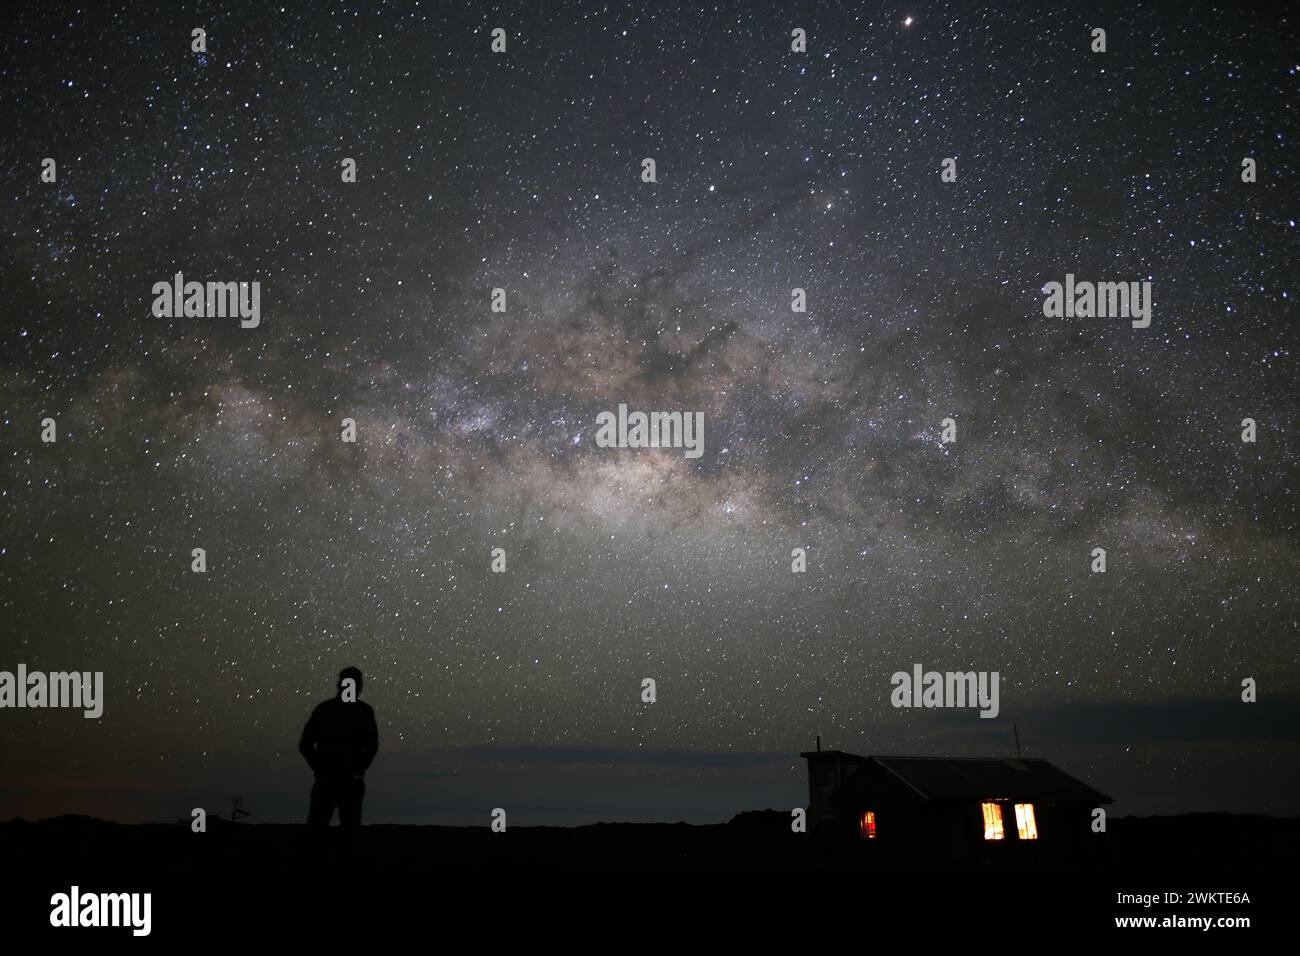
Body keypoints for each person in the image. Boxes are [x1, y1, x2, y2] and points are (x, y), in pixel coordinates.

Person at [298, 667, 378, 827]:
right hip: (344, 781)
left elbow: (305, 744)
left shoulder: (325, 710)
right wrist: (359, 766)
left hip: (332, 780)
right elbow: (372, 745)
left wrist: (319, 768)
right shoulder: (363, 712)